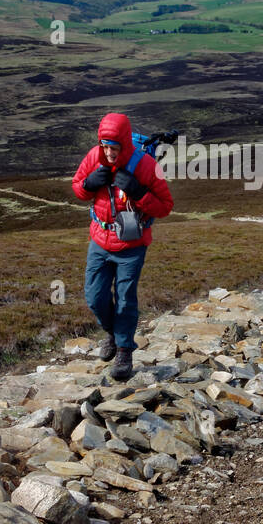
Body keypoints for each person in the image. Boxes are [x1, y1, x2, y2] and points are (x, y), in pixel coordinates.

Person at [72, 112, 174, 380]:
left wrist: (139, 193)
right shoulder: (95, 157)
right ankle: (112, 333)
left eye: (113, 147)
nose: (108, 153)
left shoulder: (145, 165)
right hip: (99, 240)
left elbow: (165, 206)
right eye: (104, 146)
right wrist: (88, 184)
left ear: (125, 144)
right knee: (95, 298)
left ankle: (124, 351)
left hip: (132, 244)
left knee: (126, 299)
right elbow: (77, 187)